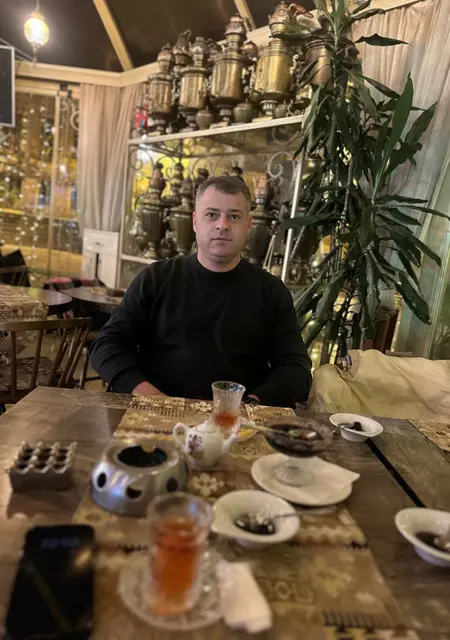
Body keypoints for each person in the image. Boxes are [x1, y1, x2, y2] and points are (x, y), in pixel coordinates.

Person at [90, 175, 312, 408]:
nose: (222, 225)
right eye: (212, 214)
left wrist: (252, 404)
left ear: (248, 225)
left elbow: (296, 368)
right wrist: (149, 396)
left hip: (237, 421)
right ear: (195, 222)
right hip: (155, 413)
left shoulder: (272, 291)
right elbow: (107, 345)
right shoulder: (155, 279)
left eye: (234, 216)